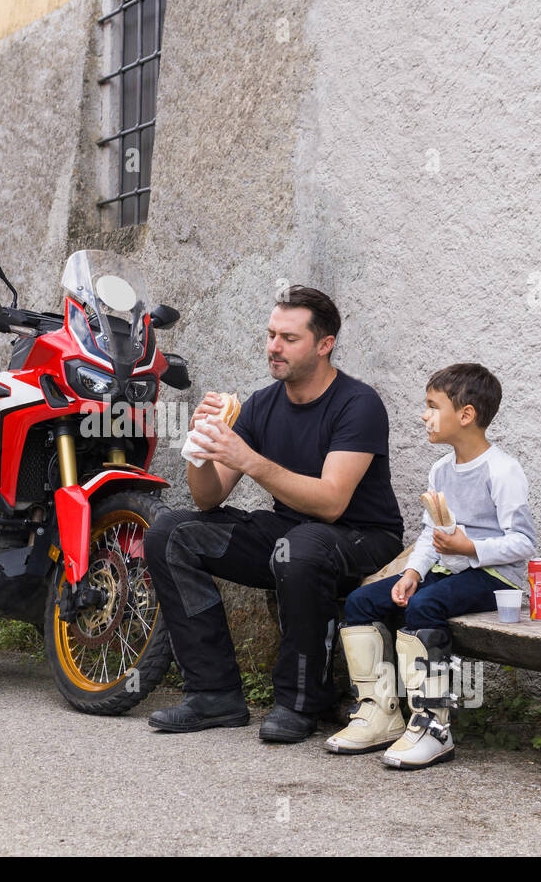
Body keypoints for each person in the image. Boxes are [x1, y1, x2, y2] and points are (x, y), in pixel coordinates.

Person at [144, 286, 404, 743]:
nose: (273, 347)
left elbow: (331, 502)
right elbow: (208, 498)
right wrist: (201, 446)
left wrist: (249, 460)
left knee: (298, 547)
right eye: (270, 335)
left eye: (288, 338)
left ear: (324, 345)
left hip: (362, 538)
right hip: (293, 535)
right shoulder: (261, 404)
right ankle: (213, 694)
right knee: (172, 533)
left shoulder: (358, 404)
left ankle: (302, 701)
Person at [325, 363, 536, 769]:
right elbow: (429, 534)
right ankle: (378, 712)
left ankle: (432, 726)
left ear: (466, 415)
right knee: (363, 602)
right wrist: (411, 573)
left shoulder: (502, 469)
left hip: (494, 578)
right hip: (448, 572)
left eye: (432, 405)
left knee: (426, 607)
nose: (424, 415)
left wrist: (469, 546)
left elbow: (524, 542)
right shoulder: (441, 470)